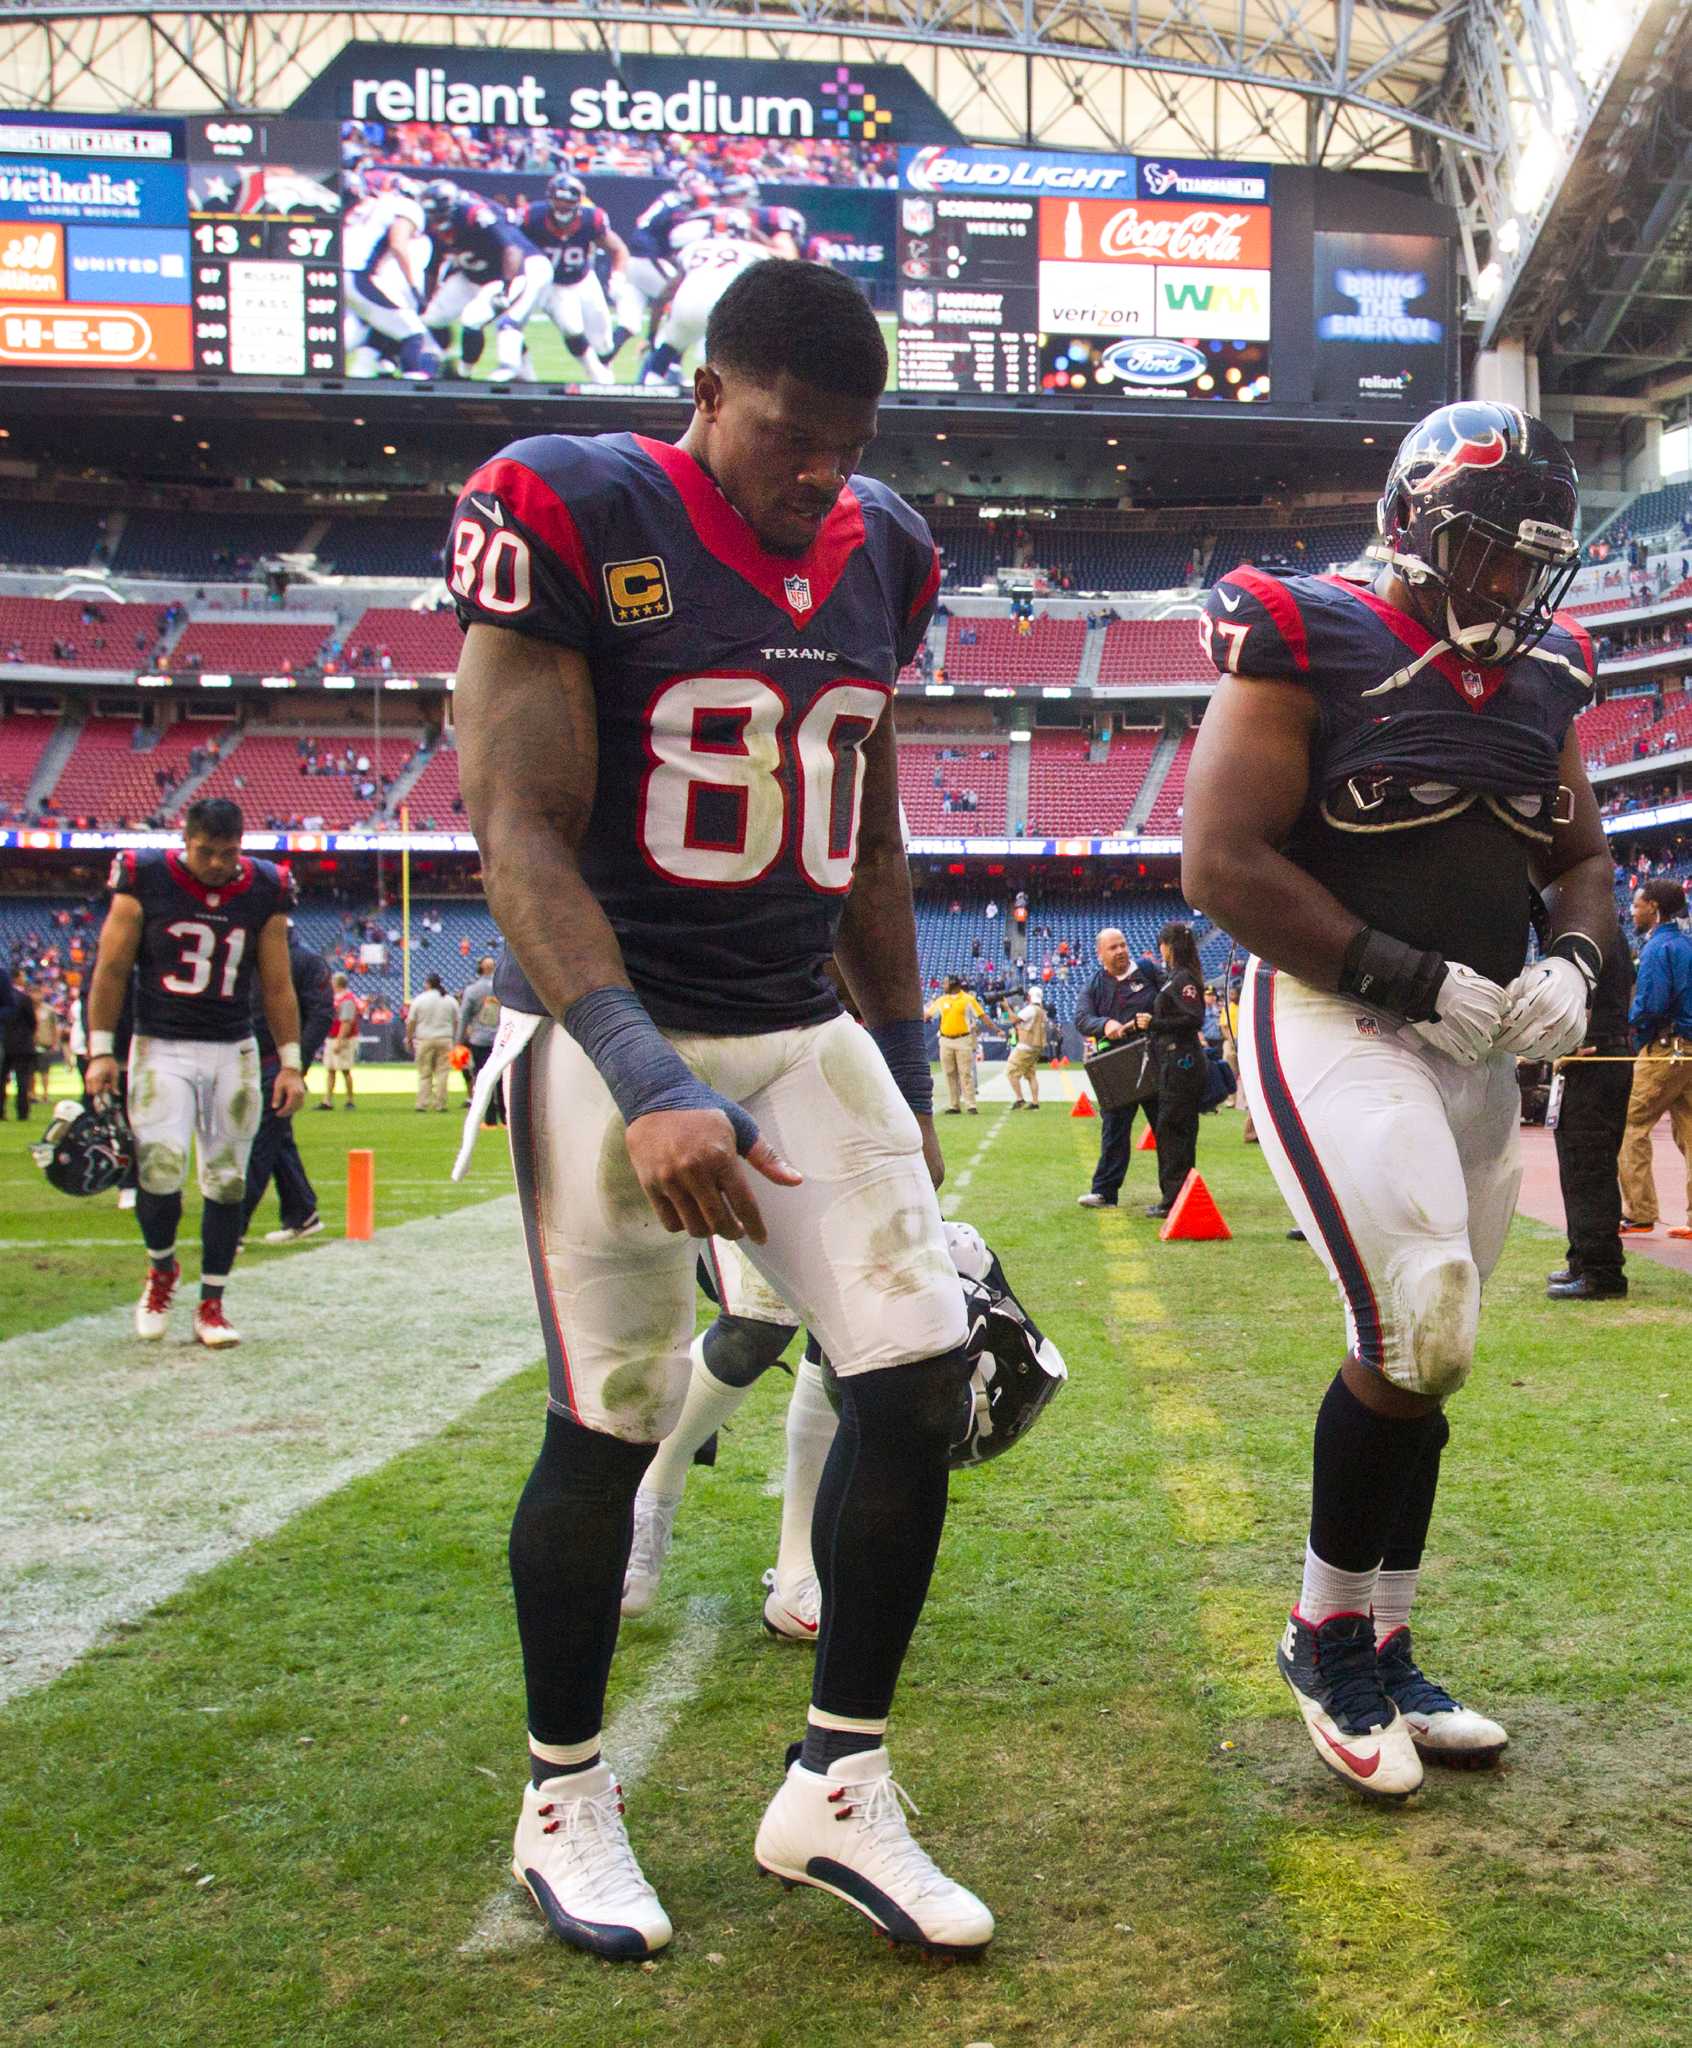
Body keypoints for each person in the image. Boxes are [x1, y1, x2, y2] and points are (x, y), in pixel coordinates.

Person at [448, 258, 991, 1959]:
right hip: (623, 1030)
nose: (819, 469)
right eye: (790, 431)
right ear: (708, 386)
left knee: (916, 1386)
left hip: (798, 1024)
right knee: (607, 1416)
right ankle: (562, 1794)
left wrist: (898, 1084)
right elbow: (517, 828)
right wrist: (640, 1072)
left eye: (847, 441)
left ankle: (834, 1780)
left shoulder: (881, 546)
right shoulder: (578, 504)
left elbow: (874, 843)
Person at [1183, 400, 1610, 1801]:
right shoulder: (1305, 630)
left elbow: (1579, 858)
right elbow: (1222, 864)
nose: (1503, 584)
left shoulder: (1551, 671)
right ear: (1412, 520)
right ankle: (1321, 1633)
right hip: (1337, 1010)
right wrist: (1401, 970)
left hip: (1478, 1039)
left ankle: (1387, 1631)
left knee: (1440, 1345)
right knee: (1414, 1312)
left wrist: (1580, 960)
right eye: (1480, 549)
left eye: (1524, 559)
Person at [84, 798, 304, 1348]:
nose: (215, 864)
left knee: (227, 1180)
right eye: (205, 852)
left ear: (242, 846)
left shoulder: (265, 887)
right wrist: (100, 1051)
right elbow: (110, 968)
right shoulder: (145, 876)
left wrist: (293, 1062)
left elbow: (277, 984)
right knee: (159, 1168)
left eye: (227, 853)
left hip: (232, 1047)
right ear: (185, 841)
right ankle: (161, 1271)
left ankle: (212, 1302)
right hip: (162, 1044)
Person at [1547, 924, 1636, 1297]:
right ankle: (1584, 1260)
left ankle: (1600, 1272)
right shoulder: (1606, 934)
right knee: (1582, 1163)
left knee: (1588, 1165)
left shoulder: (1588, 936)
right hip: (1598, 1054)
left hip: (1593, 1057)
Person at [242, 894, 334, 1247]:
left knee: (258, 1141)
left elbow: (320, 1014)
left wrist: (295, 1063)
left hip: (275, 1062)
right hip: (264, 1057)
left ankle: (232, 1226)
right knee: (277, 1138)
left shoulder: (302, 959)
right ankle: (302, 1212)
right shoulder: (288, 956)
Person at [1617, 876, 1692, 1235]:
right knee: (1691, 1133)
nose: (1632, 910)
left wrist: (1631, 1025)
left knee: (1630, 1125)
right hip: (1689, 1050)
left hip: (1665, 1049)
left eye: (1636, 904)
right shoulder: (1687, 945)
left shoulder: (1657, 948)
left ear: (1654, 908)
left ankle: (1639, 1212)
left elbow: (1651, 1003)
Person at [1073, 927, 1164, 1207]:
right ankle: (1104, 1192)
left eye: (1123, 945)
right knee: (1114, 1130)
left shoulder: (1149, 972)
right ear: (1100, 954)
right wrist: (1105, 1025)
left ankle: (1176, 1192)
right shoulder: (1095, 984)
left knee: (1166, 1128)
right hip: (1116, 1065)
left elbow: (1173, 1000)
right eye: (1112, 948)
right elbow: (1081, 1018)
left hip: (1152, 1059)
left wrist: (1156, 1018)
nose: (1120, 951)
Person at [1144, 922, 1207, 1218]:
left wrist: (1154, 1023)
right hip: (1175, 1061)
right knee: (1176, 1128)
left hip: (1181, 1062)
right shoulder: (1178, 977)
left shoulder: (1183, 979)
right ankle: (1180, 1194)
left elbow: (1193, 1018)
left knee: (1172, 1129)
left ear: (1168, 946)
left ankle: (1173, 1198)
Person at [925, 974, 985, 1113]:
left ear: (952, 984)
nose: (942, 985)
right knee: (949, 1073)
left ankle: (971, 1104)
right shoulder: (941, 1000)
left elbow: (981, 1016)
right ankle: (954, 1105)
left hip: (963, 1039)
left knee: (965, 1073)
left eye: (945, 983)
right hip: (945, 1040)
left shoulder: (967, 999)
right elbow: (928, 1015)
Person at [457, 954, 503, 1126]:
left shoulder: (473, 990)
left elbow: (464, 1017)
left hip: (480, 1039)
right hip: (501, 1038)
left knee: (483, 1077)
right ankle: (506, 1118)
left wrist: (459, 1041)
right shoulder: (503, 987)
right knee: (503, 1079)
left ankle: (490, 1118)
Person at [407, 971, 460, 1111]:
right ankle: (440, 1104)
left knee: (425, 1073)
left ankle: (422, 1103)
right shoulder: (449, 1000)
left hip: (425, 1039)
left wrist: (409, 1037)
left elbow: (411, 1021)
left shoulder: (420, 999)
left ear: (428, 983)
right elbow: (456, 1021)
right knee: (443, 1072)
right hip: (445, 1038)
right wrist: (453, 1036)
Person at [319, 974, 359, 1108]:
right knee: (331, 1069)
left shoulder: (347, 1000)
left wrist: (340, 1040)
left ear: (337, 984)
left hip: (342, 1038)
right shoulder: (337, 998)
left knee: (344, 1069)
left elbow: (346, 1022)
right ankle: (327, 1100)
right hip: (332, 1036)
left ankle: (350, 1100)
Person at [1, 971, 36, 1120]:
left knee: (2, 1079)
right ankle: (22, 1112)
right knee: (22, 1080)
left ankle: (1, 1111)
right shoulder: (24, 998)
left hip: (5, 1043)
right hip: (22, 1044)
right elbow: (32, 1022)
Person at [1005, 986, 1046, 1109]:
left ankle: (1020, 1099)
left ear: (1029, 997)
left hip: (1025, 1046)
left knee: (1011, 1072)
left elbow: (1013, 1019)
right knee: (1031, 1074)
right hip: (1036, 1046)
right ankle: (1035, 1102)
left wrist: (1007, 1007)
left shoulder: (1030, 1009)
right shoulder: (1042, 1012)